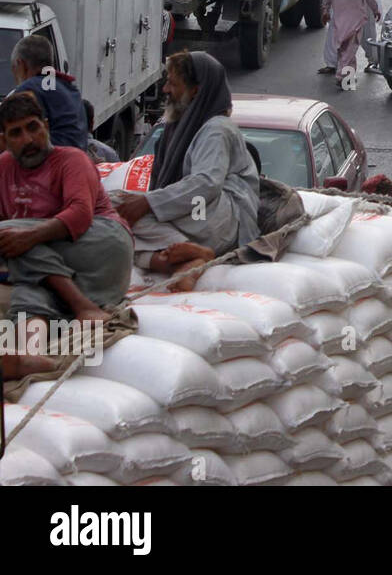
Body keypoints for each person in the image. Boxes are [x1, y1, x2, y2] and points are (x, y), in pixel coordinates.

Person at [0, 92, 133, 350]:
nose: (28, 139)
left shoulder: (71, 159)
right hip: (60, 265)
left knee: (10, 236)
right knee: (30, 288)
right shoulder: (3, 168)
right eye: (16, 133)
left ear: (46, 126)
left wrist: (27, 237)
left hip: (104, 246)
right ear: (4, 141)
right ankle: (30, 354)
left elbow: (80, 215)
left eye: (33, 128)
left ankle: (83, 307)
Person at [112, 51, 259, 282]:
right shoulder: (177, 128)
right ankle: (184, 256)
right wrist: (148, 204)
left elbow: (206, 185)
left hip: (216, 219)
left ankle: (180, 247)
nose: (165, 90)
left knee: (117, 208)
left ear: (195, 91)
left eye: (173, 83)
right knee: (113, 215)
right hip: (197, 216)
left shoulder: (216, 129)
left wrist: (149, 202)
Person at [9, 35, 88, 151]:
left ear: (22, 65)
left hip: (52, 162)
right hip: (78, 159)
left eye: (14, 69)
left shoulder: (28, 89)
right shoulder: (69, 88)